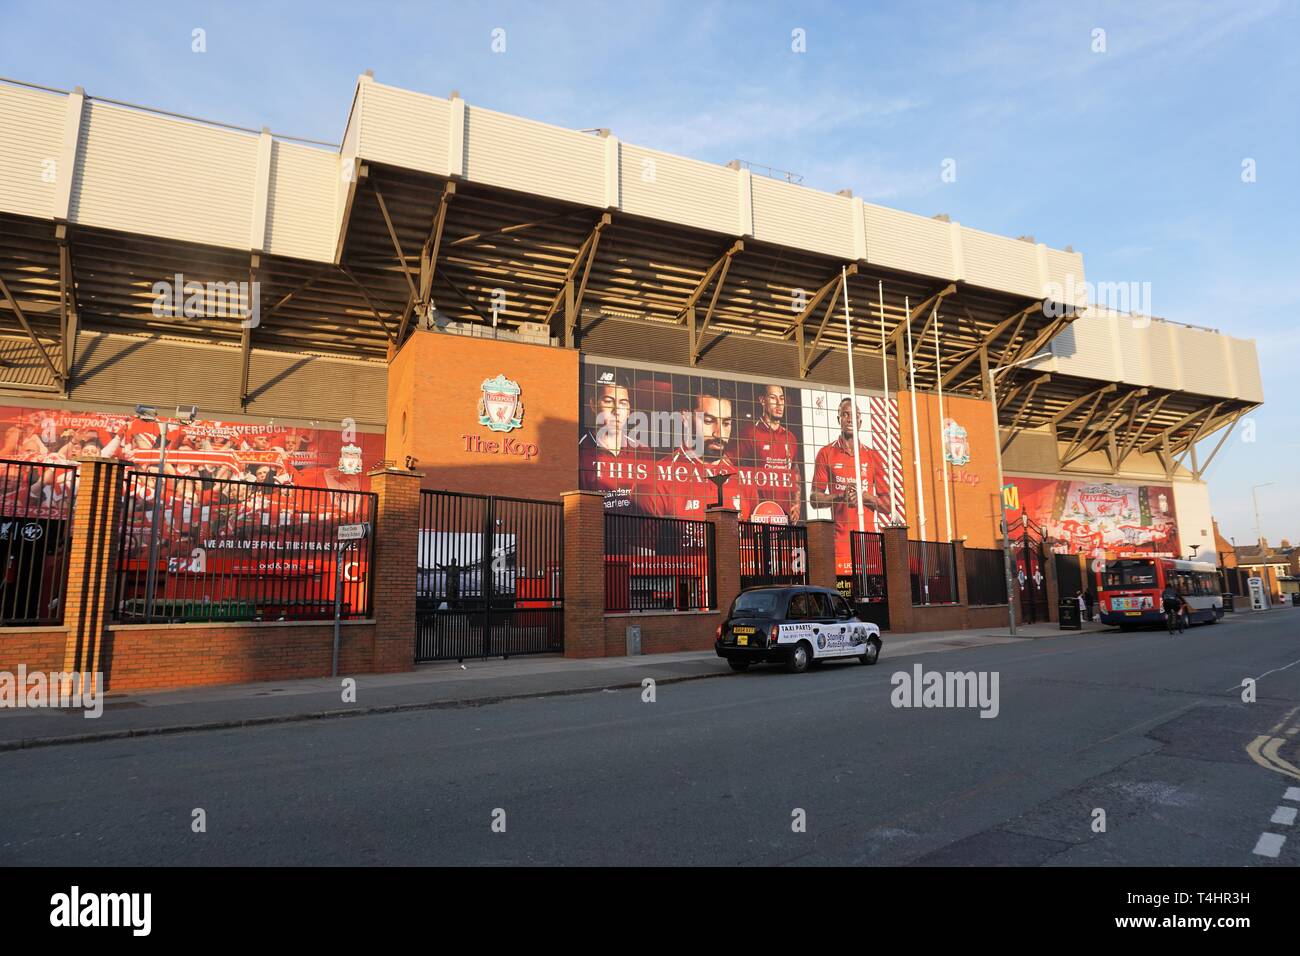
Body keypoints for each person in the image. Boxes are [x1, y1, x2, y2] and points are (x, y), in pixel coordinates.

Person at [643, 386, 757, 519]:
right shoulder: (656, 479)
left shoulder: (743, 481)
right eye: (708, 421)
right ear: (685, 418)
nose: (718, 433)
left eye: (726, 423)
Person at [810, 397, 890, 576]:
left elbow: (888, 505)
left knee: (872, 597)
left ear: (860, 421)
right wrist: (840, 496)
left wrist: (864, 497)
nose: (850, 419)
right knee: (844, 596)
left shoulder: (873, 456)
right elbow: (814, 499)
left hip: (869, 546)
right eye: (845, 414)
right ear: (839, 419)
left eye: (855, 415)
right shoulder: (826, 453)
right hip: (840, 545)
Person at [579, 370, 648, 512]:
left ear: (629, 410)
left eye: (623, 403)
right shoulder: (578, 451)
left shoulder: (642, 452)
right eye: (609, 401)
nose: (616, 410)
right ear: (593, 405)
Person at [736, 384, 801, 524]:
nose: (779, 404)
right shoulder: (749, 433)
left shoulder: (790, 438)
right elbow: (729, 466)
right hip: (758, 516)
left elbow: (794, 471)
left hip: (784, 517)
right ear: (762, 400)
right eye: (773, 398)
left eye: (782, 399)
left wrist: (797, 502)